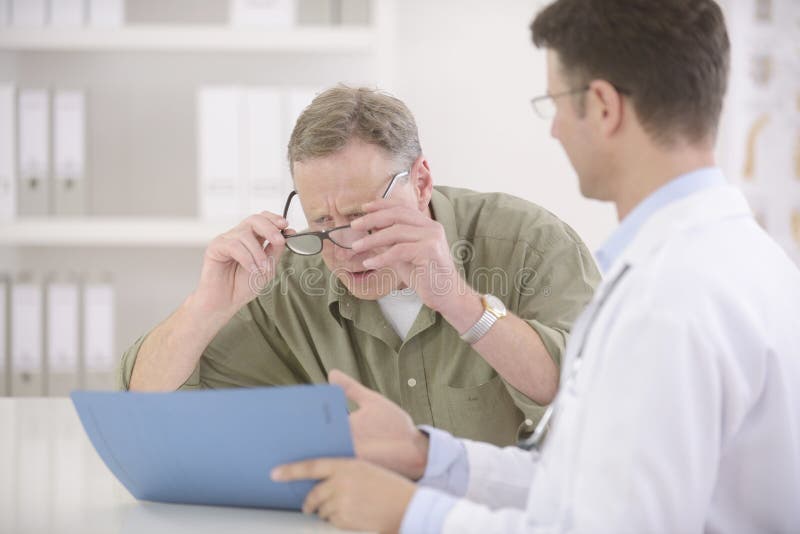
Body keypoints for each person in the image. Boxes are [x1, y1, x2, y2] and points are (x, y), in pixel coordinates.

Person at [271, 1, 800, 532]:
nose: (556, 133)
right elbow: (582, 486)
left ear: (601, 107)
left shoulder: (667, 299)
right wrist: (426, 456)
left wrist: (413, 514)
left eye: (556, 104)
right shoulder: (749, 261)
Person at [118, 85, 600, 446]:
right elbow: (145, 404)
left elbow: (594, 399)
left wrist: (458, 301)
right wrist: (205, 307)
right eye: (322, 219)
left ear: (422, 182)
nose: (346, 245)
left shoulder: (529, 245)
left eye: (362, 216)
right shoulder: (289, 278)